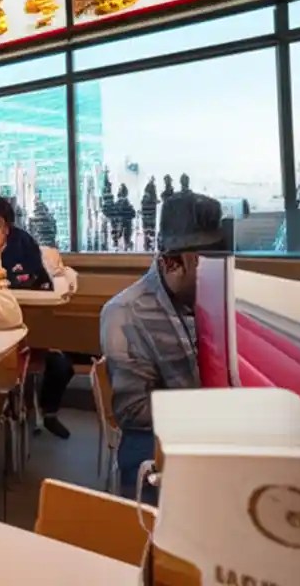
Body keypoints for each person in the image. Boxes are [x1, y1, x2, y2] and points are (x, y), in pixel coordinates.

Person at [103, 192, 223, 504]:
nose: (215, 271)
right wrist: (211, 412)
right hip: (155, 438)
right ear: (173, 262)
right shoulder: (125, 313)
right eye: (204, 261)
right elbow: (133, 413)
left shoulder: (212, 298)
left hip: (207, 427)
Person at [0, 196, 78, 438]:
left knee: (62, 366)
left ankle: (49, 413)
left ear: (7, 227)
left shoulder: (25, 246)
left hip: (26, 323)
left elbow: (41, 282)